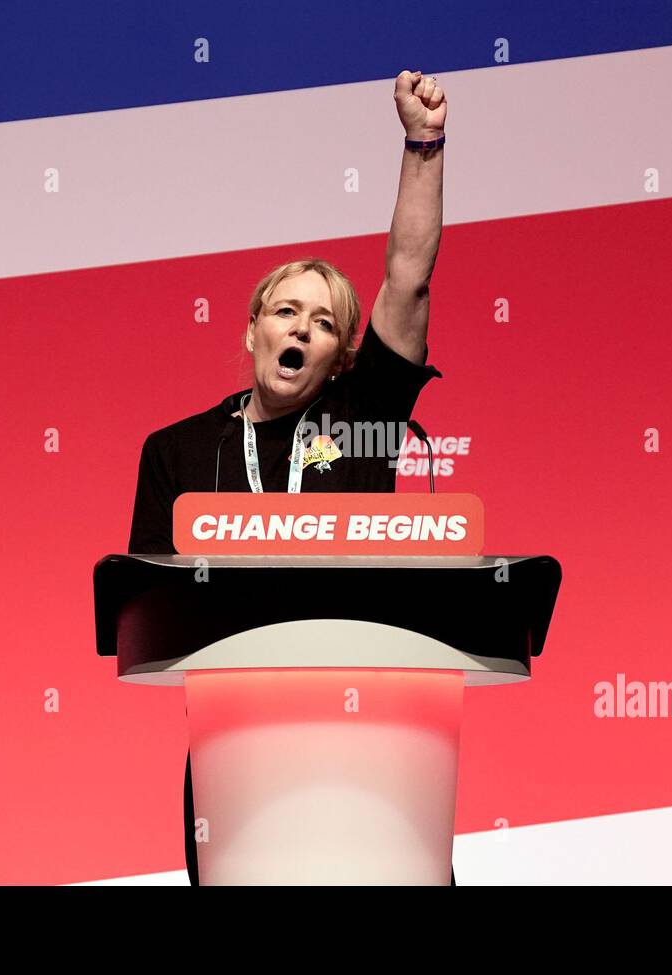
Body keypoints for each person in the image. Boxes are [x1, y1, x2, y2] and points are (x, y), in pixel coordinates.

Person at [126, 70, 452, 884]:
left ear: (345, 352)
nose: (301, 327)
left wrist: (423, 144)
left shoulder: (363, 416)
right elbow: (146, 618)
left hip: (373, 736)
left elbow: (407, 275)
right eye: (285, 311)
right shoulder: (175, 451)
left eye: (324, 320)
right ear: (251, 329)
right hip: (243, 752)